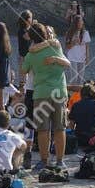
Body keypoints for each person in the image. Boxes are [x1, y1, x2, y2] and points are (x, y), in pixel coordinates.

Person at [23, 24, 71, 171]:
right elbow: (67, 64)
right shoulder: (55, 47)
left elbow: (23, 70)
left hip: (41, 93)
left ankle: (44, 160)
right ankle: (60, 160)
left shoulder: (31, 54)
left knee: (43, 129)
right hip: (59, 92)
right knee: (59, 128)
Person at [69, 81, 95, 149]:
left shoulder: (75, 105)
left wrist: (73, 135)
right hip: (93, 136)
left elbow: (72, 123)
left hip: (80, 137)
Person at [64, 8, 90, 87]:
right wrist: (73, 42)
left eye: (82, 21)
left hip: (82, 58)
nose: (81, 23)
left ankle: (78, 97)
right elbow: (67, 46)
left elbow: (87, 47)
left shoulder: (85, 33)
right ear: (76, 23)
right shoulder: (70, 33)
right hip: (72, 57)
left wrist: (87, 57)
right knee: (73, 78)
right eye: (80, 22)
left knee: (80, 79)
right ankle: (72, 97)